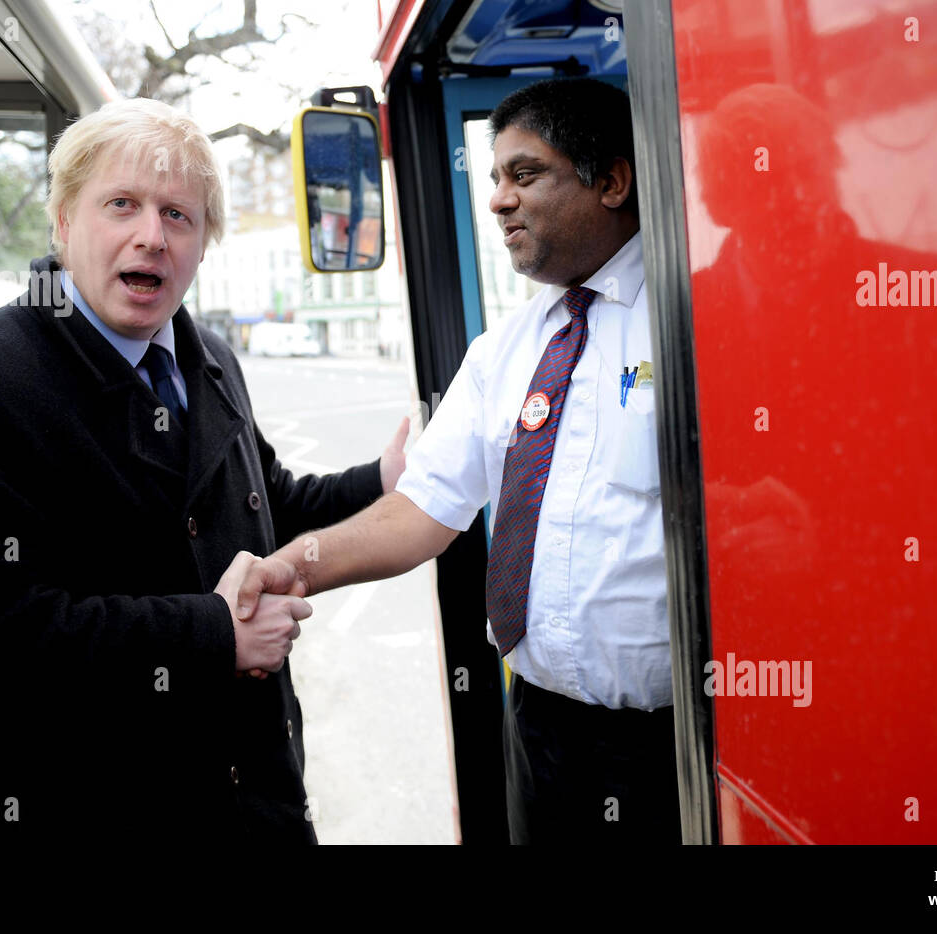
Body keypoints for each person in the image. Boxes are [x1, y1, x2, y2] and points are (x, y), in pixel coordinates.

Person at [0, 97, 408, 845]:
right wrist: (212, 634)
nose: (152, 235)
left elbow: (264, 502)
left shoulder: (210, 357)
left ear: (204, 244)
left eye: (178, 215)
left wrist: (383, 480)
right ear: (63, 221)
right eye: (122, 204)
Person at [243, 78, 679, 843]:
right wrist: (291, 568)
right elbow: (422, 509)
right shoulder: (504, 351)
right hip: (538, 733)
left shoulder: (695, 322)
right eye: (494, 178)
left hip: (674, 747)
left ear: (611, 181)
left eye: (525, 174)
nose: (499, 201)